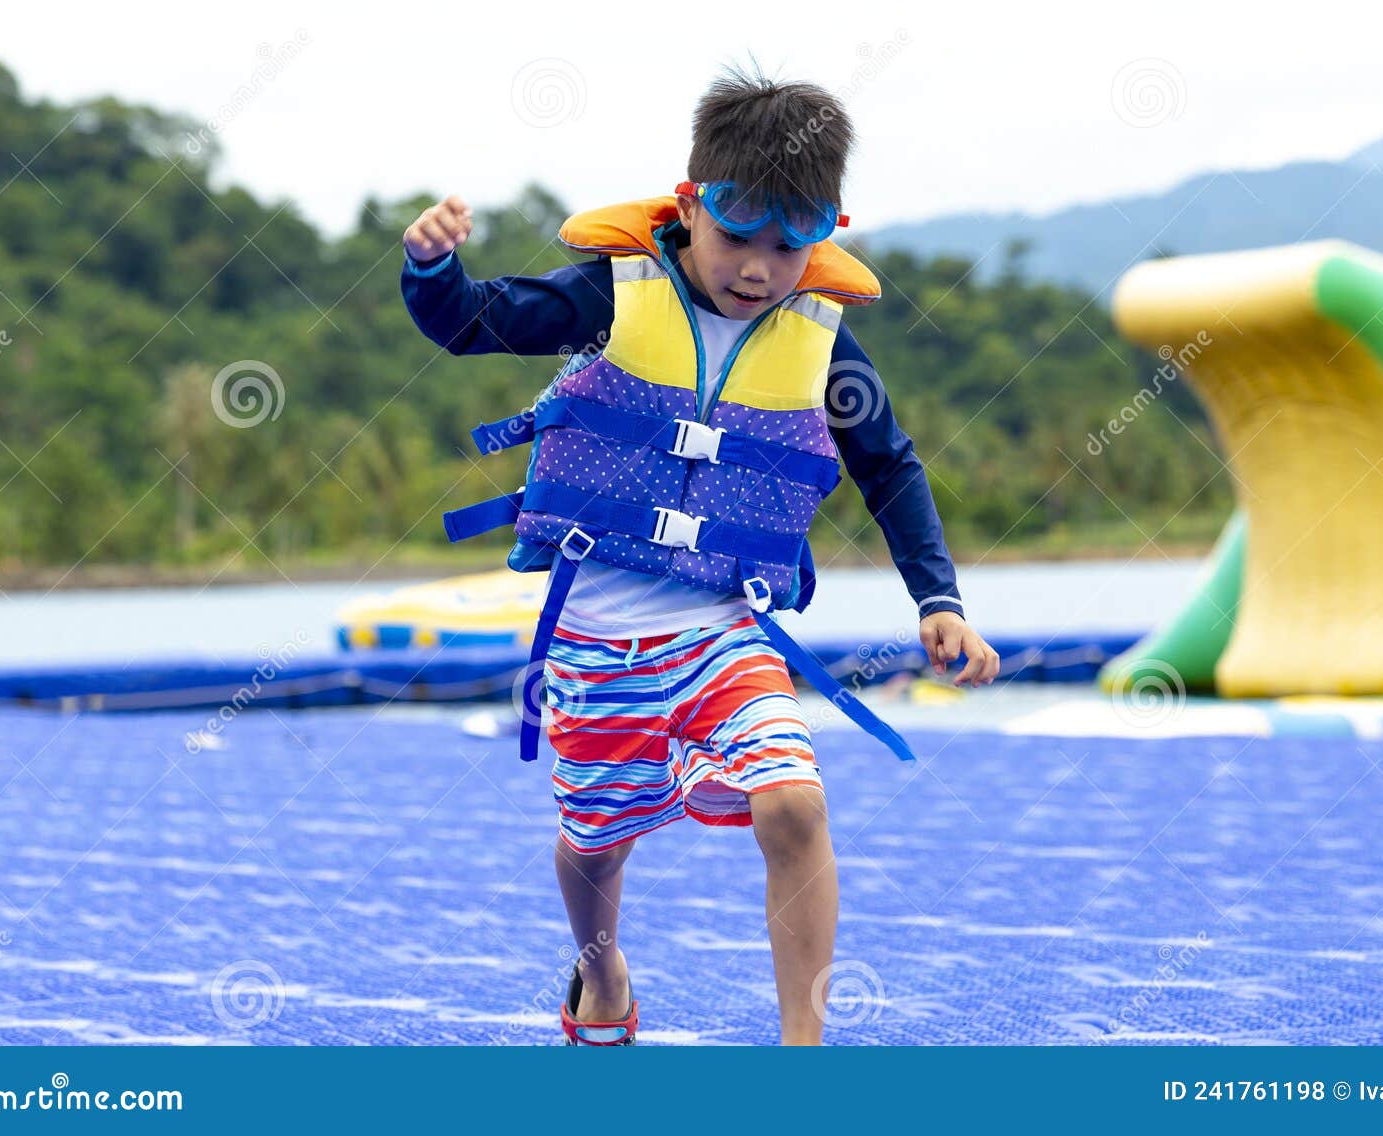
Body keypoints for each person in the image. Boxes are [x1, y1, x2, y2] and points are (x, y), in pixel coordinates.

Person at [401, 68, 999, 1045]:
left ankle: (801, 1057)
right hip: (595, 640)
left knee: (794, 802)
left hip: (722, 634)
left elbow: (888, 465)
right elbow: (477, 324)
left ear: (825, 232)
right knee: (593, 844)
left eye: (789, 244)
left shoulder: (822, 342)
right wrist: (432, 270)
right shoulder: (613, 291)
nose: (760, 269)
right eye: (738, 236)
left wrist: (938, 597)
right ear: (689, 206)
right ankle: (601, 970)